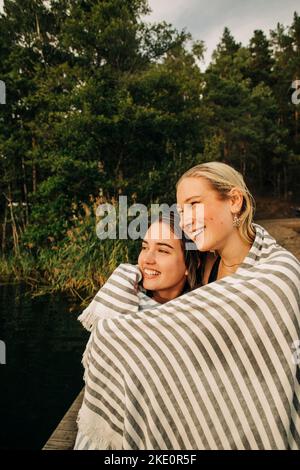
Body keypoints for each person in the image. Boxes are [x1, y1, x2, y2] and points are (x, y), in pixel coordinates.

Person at [75, 162, 300, 450]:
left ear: (234, 201)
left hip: (251, 406)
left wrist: (116, 335)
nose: (186, 220)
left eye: (194, 204)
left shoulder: (277, 274)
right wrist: (128, 273)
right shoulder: (205, 261)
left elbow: (269, 364)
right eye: (181, 211)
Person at [74, 213, 202, 450]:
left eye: (163, 250)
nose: (148, 259)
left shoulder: (195, 320)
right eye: (145, 247)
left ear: (189, 264)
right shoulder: (121, 304)